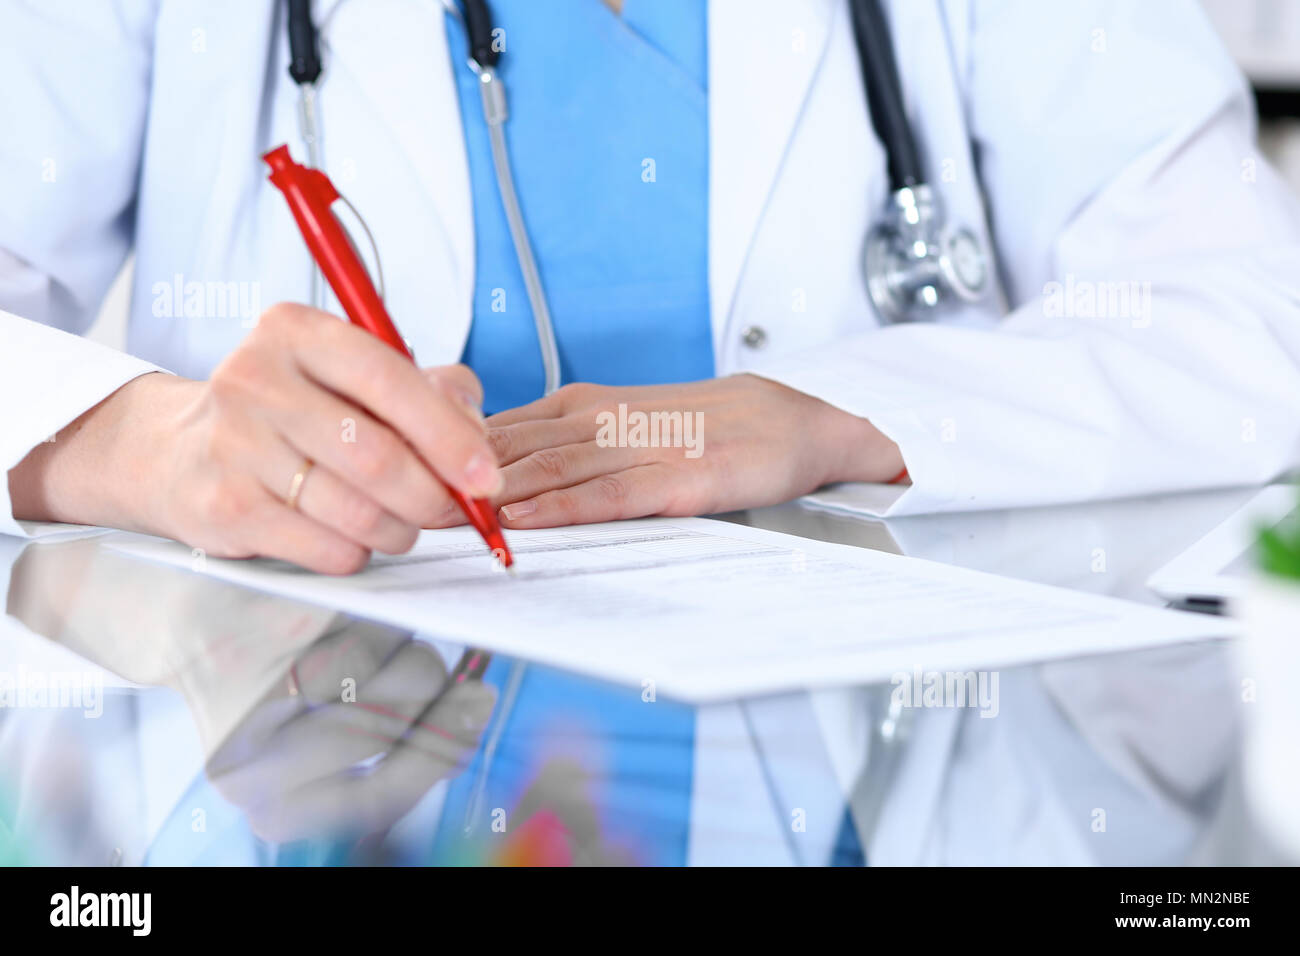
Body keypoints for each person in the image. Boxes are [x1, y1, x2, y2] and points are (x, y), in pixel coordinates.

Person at [3, 0, 1299, 575]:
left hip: (876, 761)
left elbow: (1247, 311)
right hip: (323, 757)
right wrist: (150, 447)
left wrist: (826, 414)